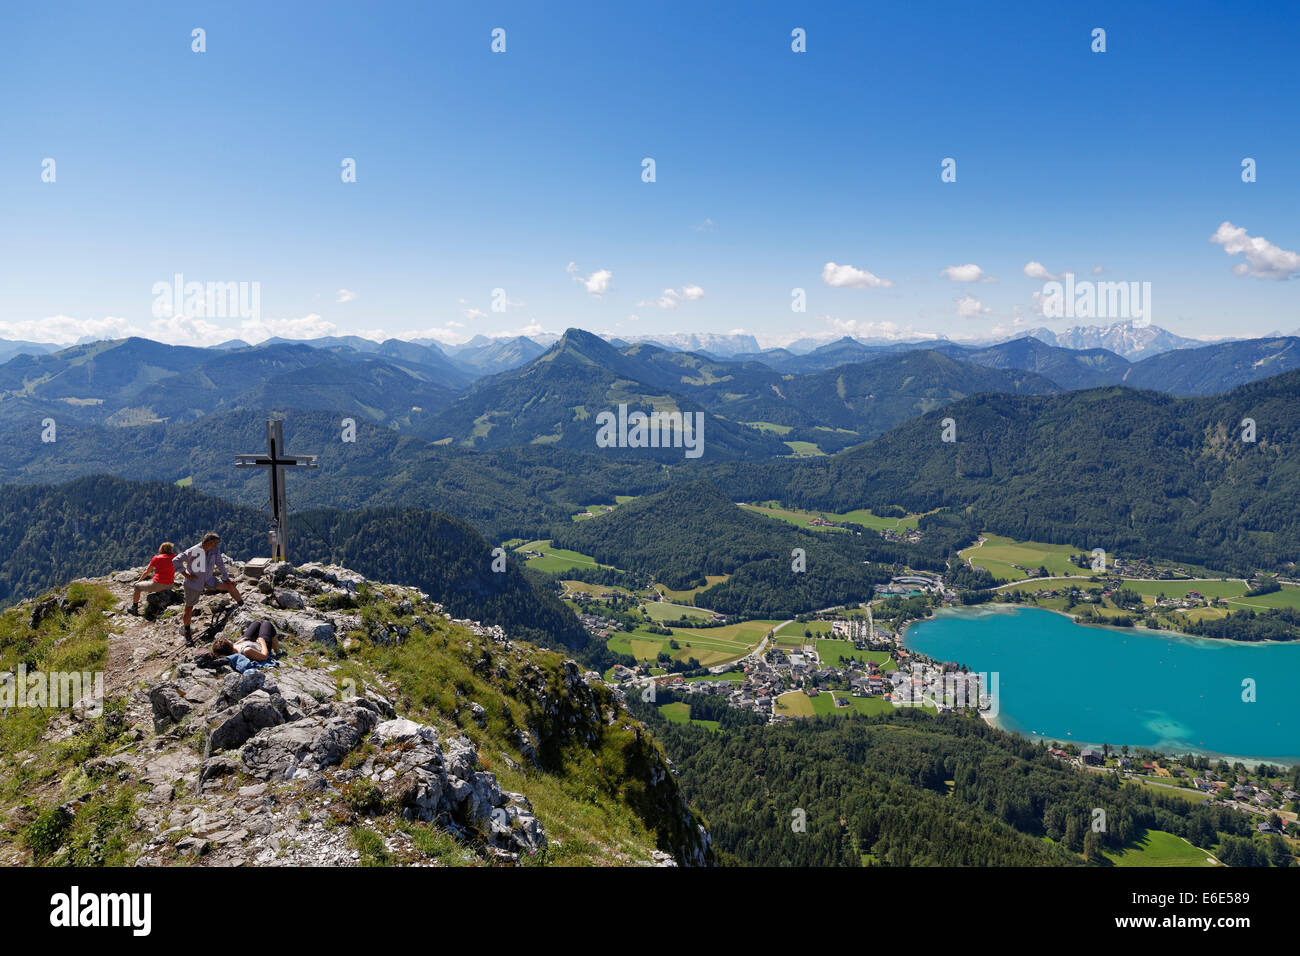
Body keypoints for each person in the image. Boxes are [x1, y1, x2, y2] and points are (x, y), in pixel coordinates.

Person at [174, 532, 243, 640]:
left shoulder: (214, 550)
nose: (216, 545)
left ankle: (242, 605)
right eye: (214, 543)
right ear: (208, 542)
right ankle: (187, 632)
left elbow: (220, 564)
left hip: (208, 579)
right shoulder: (194, 550)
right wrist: (186, 575)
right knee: (189, 608)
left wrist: (226, 578)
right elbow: (176, 560)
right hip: (194, 583)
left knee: (230, 586)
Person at [212, 619, 278, 673]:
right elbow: (264, 657)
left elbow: (233, 646)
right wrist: (262, 642)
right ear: (229, 645)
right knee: (267, 624)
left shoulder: (231, 649)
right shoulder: (247, 650)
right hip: (261, 646)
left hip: (247, 642)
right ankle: (277, 651)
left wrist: (241, 641)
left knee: (257, 622)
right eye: (227, 640)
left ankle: (257, 628)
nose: (227, 639)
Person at [130, 542, 176, 614]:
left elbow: (147, 572)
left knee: (137, 587)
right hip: (170, 585)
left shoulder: (157, 558)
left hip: (157, 585)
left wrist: (138, 581)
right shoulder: (175, 557)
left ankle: (134, 608)